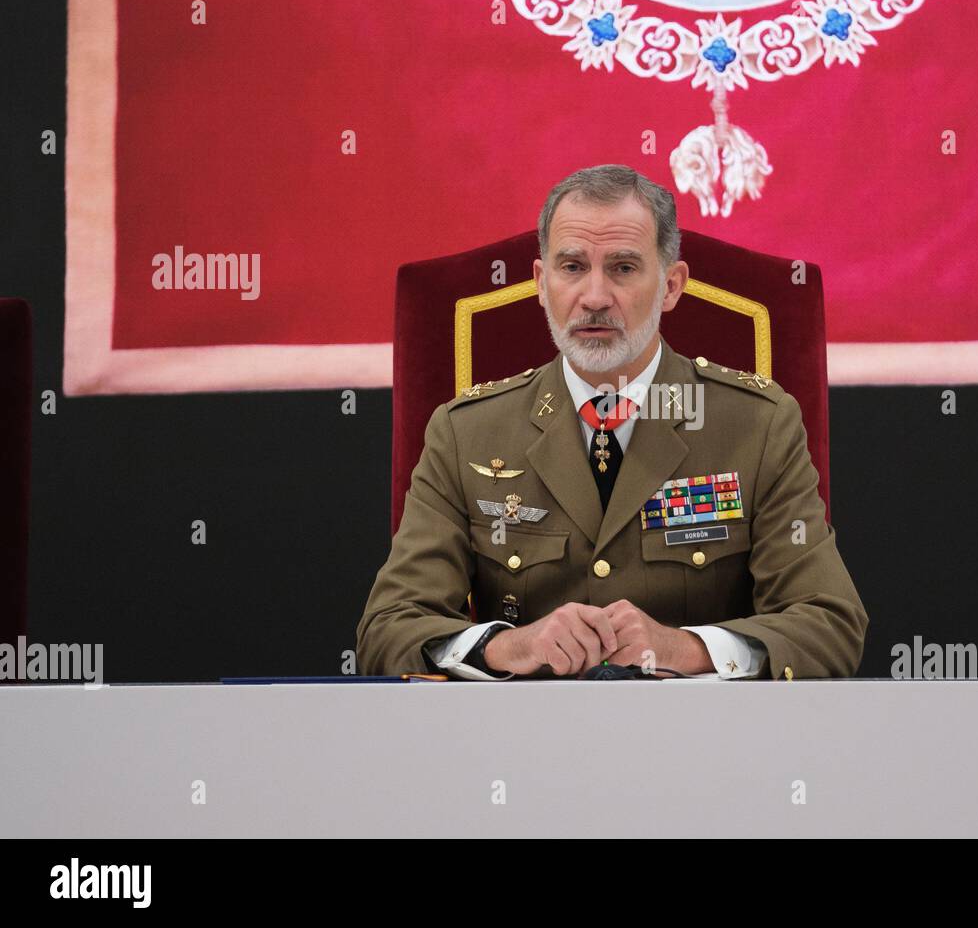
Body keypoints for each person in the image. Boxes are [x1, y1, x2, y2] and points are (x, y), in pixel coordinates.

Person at [357, 164, 866, 679]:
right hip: (520, 746)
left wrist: (683, 649)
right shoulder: (466, 432)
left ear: (671, 286)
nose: (595, 296)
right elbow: (389, 629)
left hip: (702, 746)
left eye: (623, 268)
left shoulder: (757, 427)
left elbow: (830, 625)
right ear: (540, 282)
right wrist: (506, 647)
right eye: (573, 266)